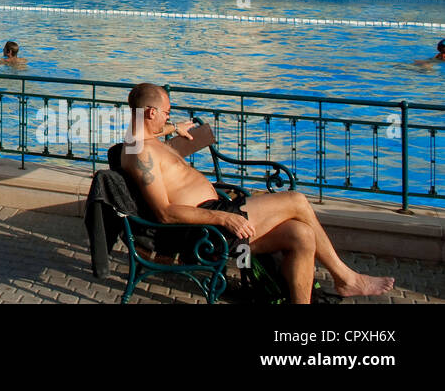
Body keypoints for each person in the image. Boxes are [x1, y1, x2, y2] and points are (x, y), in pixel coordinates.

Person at [121, 83, 393, 304]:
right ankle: (345, 278)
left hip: (216, 215)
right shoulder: (141, 152)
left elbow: (149, 138)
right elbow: (165, 213)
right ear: (151, 113)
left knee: (302, 234)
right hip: (207, 231)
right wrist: (223, 219)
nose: (170, 116)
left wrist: (173, 129)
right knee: (296, 201)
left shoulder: (142, 140)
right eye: (167, 112)